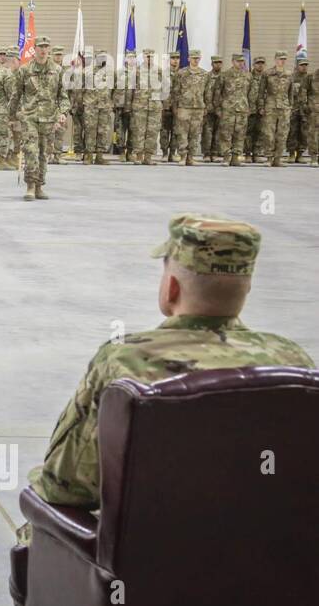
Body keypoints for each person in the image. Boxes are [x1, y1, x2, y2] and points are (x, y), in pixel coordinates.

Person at [17, 212, 313, 548]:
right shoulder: (293, 363)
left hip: (149, 561)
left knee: (34, 527)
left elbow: (64, 488)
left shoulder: (125, 361)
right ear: (246, 289)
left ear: (171, 287)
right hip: (269, 561)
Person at [11, 36, 67, 200]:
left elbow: (63, 96)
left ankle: (39, 186)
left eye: (46, 46)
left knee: (44, 153)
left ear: (49, 49)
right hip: (30, 117)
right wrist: (13, 116)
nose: (43, 50)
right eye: (40, 46)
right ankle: (30, 186)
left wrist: (62, 112)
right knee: (31, 151)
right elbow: (16, 94)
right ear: (34, 48)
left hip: (49, 119)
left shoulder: (57, 70)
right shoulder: (25, 70)